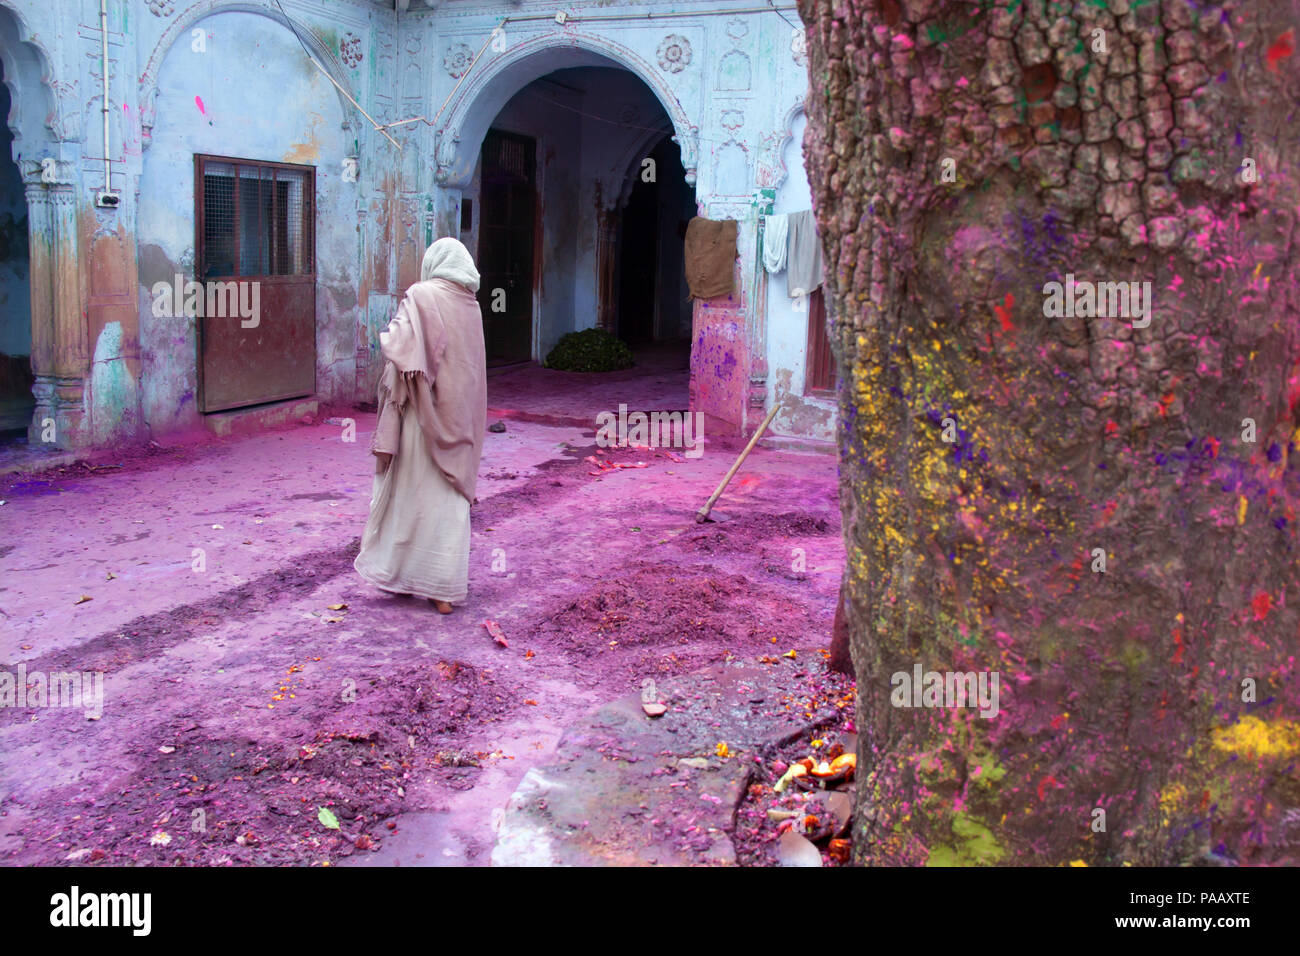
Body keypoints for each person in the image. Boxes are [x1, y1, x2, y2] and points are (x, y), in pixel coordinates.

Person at [354, 238, 486, 614]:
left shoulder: (422, 295)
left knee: (412, 496)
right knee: (447, 502)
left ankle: (403, 574)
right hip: (460, 419)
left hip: (420, 417)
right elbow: (471, 370)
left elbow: (397, 346)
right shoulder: (471, 306)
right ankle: (442, 589)